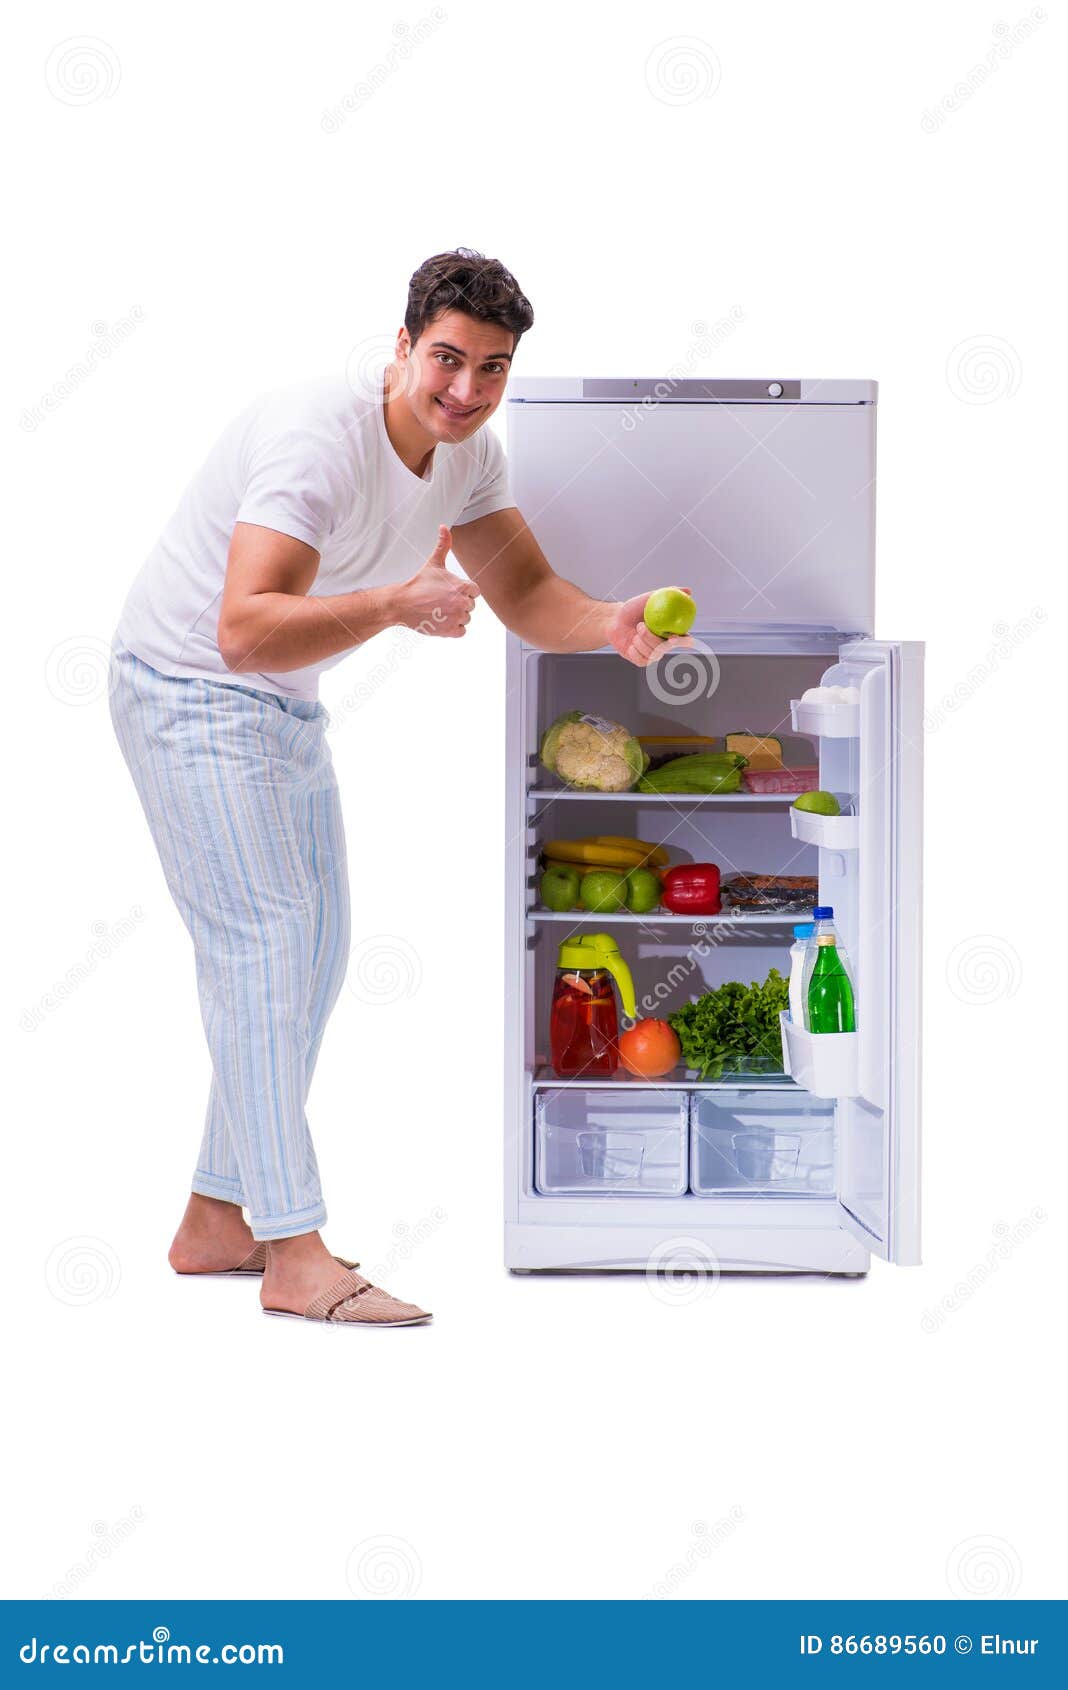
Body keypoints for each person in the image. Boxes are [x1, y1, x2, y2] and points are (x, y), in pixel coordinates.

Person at [108, 247, 691, 1328]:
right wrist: (389, 603)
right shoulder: (313, 442)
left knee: (314, 951)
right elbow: (241, 627)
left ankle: (215, 1215)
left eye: (493, 368)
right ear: (403, 345)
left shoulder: (468, 456)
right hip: (187, 686)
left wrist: (606, 624)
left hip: (281, 701)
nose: (466, 391)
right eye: (447, 360)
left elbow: (523, 586)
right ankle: (293, 1249)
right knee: (268, 944)